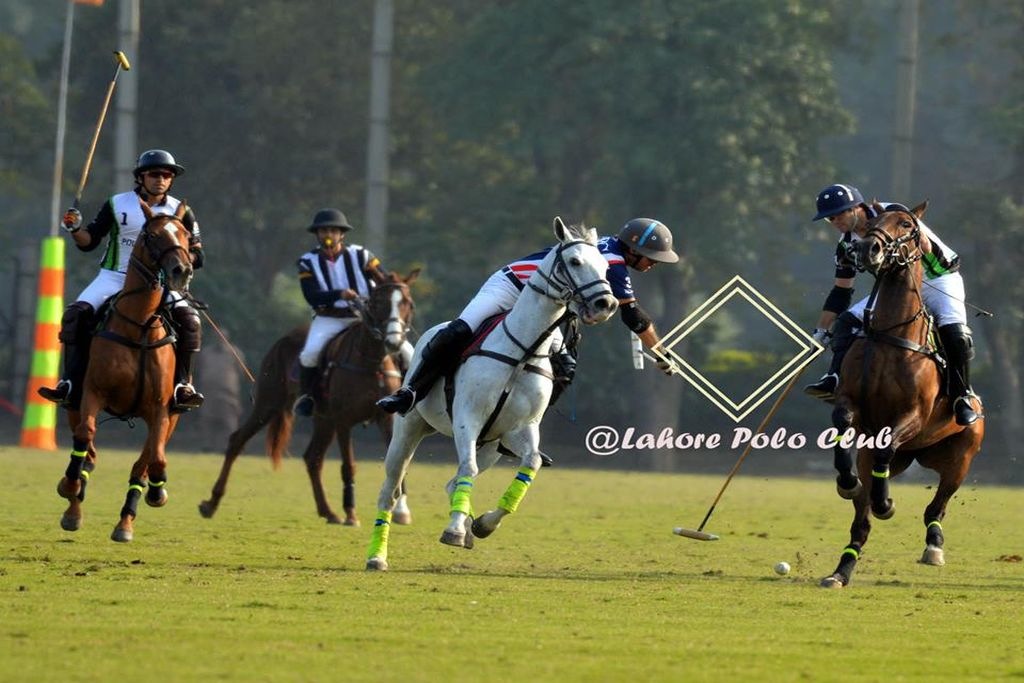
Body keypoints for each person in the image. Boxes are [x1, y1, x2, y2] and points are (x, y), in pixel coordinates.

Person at [376, 217, 680, 416]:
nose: (654, 264)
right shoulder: (612, 259)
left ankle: (522, 425)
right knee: (459, 331)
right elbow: (633, 317)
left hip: (544, 305)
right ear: (634, 250)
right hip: (511, 287)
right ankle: (410, 392)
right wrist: (661, 352)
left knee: (564, 365)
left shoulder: (610, 250)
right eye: (651, 258)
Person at [39, 149, 205, 413]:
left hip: (160, 283)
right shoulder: (117, 204)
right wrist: (74, 228)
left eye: (167, 174)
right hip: (114, 276)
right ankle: (69, 384)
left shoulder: (181, 211)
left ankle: (183, 386)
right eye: (154, 174)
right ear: (141, 177)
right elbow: (89, 241)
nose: (161, 179)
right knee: (74, 315)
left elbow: (198, 253)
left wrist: (182, 260)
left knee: (190, 321)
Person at [805, 183, 978, 425]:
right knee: (846, 322)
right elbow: (841, 292)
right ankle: (834, 379)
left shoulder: (892, 212)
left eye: (838, 214)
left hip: (938, 278)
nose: (834, 221)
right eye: (829, 218)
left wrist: (893, 232)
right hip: (898, 288)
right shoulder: (846, 246)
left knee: (955, 332)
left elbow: (925, 246)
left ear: (856, 208)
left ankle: (962, 396)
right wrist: (820, 331)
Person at [292, 208, 413, 417]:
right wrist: (339, 294)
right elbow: (312, 296)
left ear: (341, 234)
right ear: (317, 235)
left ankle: (412, 394)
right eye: (323, 231)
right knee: (309, 354)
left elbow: (384, 280)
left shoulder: (362, 255)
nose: (328, 235)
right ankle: (308, 397)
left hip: (364, 318)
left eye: (332, 231)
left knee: (408, 353)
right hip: (330, 318)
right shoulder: (307, 261)